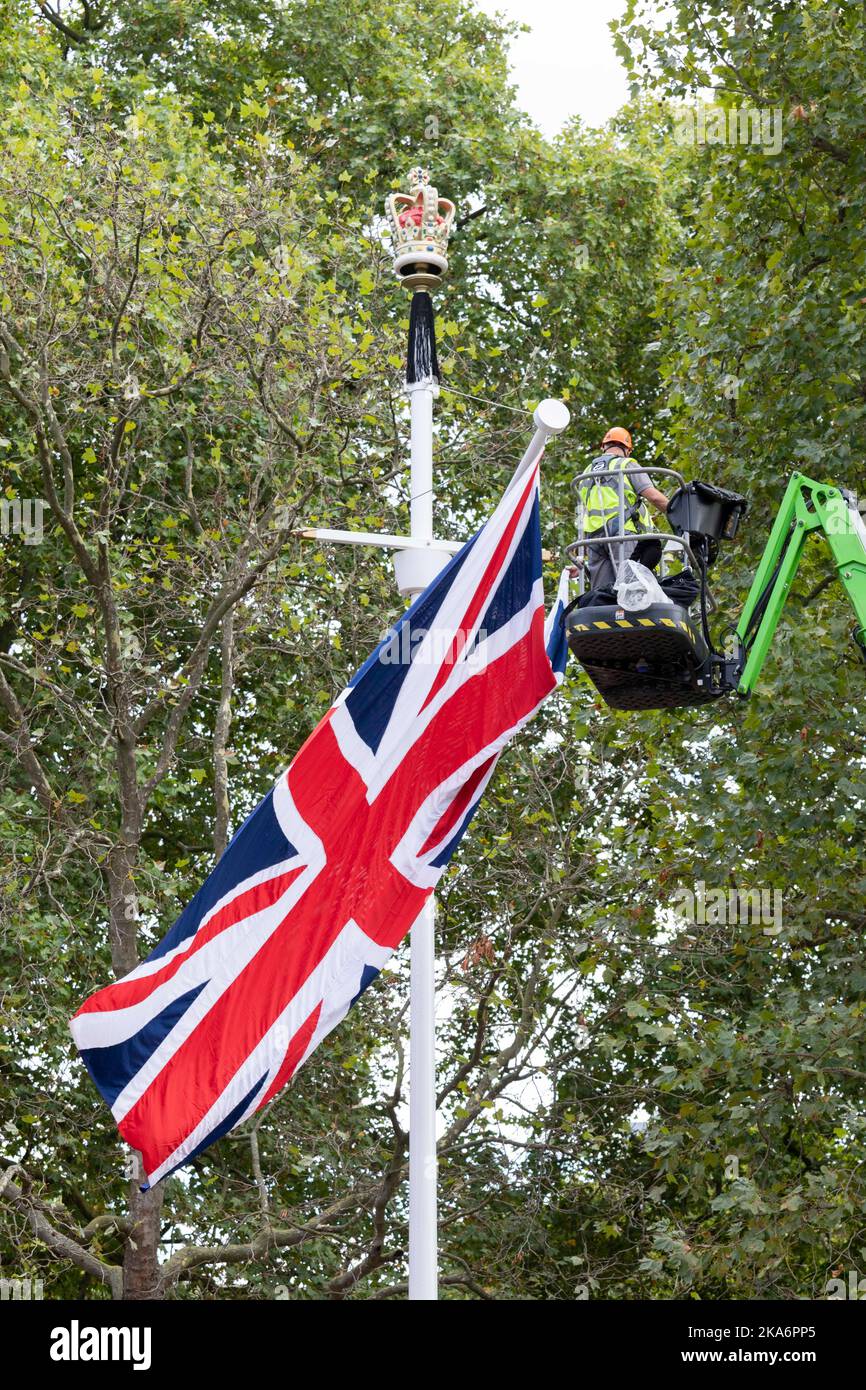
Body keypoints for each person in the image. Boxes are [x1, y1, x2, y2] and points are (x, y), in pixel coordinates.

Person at [576, 426, 670, 593]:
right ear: (627, 449)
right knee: (630, 588)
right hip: (621, 535)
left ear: (603, 446)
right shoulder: (627, 464)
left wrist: (579, 553)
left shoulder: (587, 472)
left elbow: (583, 512)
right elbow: (654, 497)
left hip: (594, 541)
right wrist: (679, 512)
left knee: (601, 594)